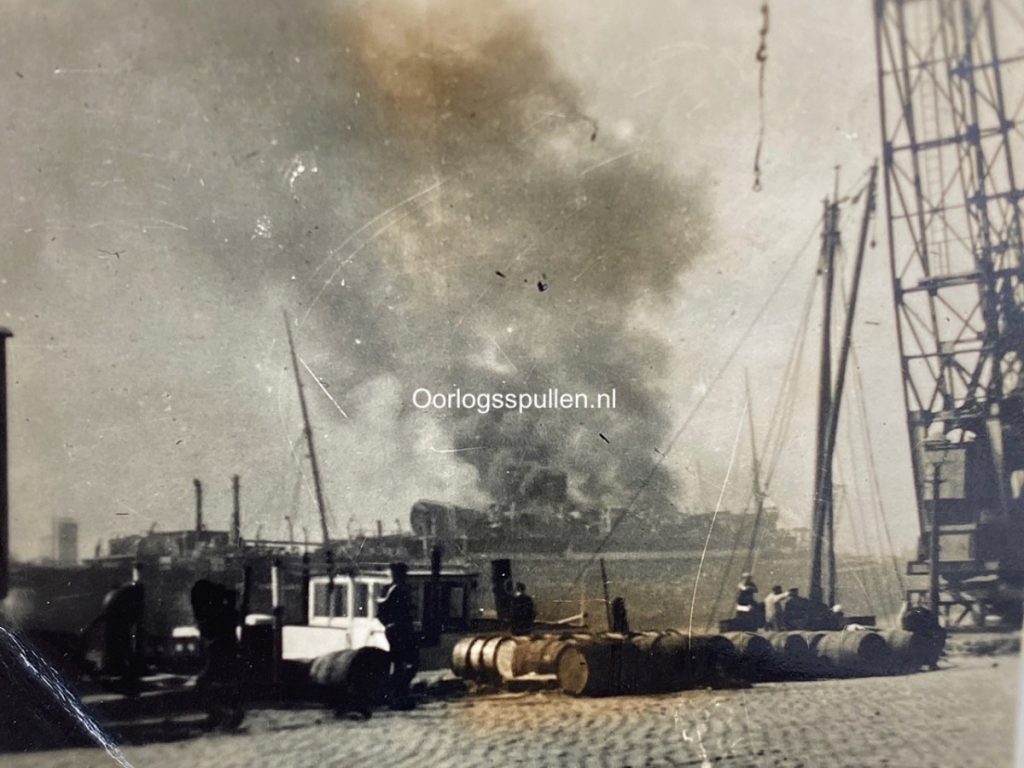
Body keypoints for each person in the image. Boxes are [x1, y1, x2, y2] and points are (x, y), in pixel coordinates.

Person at [377, 562, 419, 708]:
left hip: (400, 630)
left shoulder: (395, 590)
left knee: (402, 662)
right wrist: (392, 625)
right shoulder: (395, 591)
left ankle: (398, 693)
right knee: (404, 662)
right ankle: (398, 695)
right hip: (399, 631)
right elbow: (381, 612)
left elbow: (382, 613)